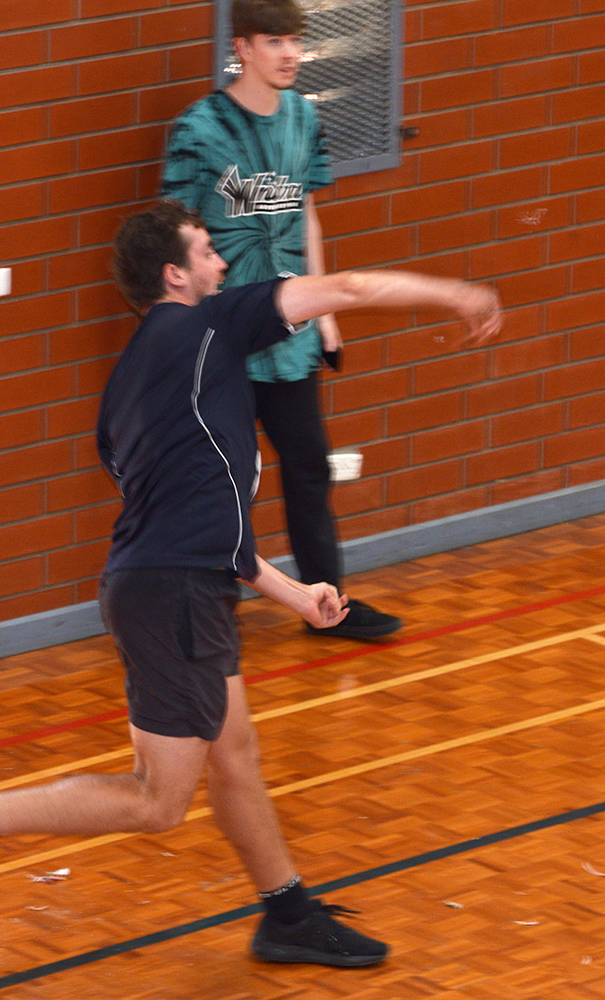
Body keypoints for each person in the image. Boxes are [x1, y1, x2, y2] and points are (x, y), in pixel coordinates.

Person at [0, 200, 502, 968]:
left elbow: (203, 526)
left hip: (166, 588)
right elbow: (346, 287)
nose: (222, 262)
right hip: (174, 596)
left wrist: (298, 596)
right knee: (159, 801)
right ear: (175, 275)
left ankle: (287, 914)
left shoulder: (124, 391)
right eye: (208, 251)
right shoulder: (212, 323)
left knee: (235, 754)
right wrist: (458, 293)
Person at [161, 0, 400, 641]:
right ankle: (206, 614)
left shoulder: (303, 116)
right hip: (223, 341)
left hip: (290, 336)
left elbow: (308, 216)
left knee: (309, 468)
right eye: (275, 41)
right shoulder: (199, 130)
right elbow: (172, 238)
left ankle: (329, 606)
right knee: (221, 486)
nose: (291, 54)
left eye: (296, 40)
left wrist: (327, 316)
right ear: (242, 47)